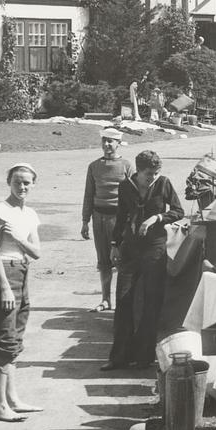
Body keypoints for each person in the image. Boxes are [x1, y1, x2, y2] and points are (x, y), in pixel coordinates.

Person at [102, 150, 184, 370]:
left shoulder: (163, 184)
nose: (153, 177)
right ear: (138, 170)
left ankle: (144, 357)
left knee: (151, 301)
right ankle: (119, 357)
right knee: (124, 299)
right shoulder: (125, 187)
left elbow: (178, 211)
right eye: (149, 173)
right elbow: (121, 216)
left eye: (156, 173)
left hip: (154, 248)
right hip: (130, 248)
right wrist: (114, 244)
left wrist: (157, 217)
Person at [0, 163, 42, 422]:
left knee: (15, 340)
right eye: (17, 182)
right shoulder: (0, 210)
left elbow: (36, 252)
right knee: (5, 341)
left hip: (23, 271)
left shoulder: (30, 214)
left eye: (27, 183)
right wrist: (5, 287)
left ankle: (13, 399)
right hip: (4, 275)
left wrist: (19, 239)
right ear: (9, 182)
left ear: (33, 184)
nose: (22, 187)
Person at [81, 129, 133, 312]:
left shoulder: (127, 166)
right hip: (98, 218)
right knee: (103, 261)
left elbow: (134, 195)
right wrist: (85, 220)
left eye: (110, 141)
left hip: (119, 219)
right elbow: (89, 194)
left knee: (121, 259)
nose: (106, 145)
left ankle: (122, 301)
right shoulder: (94, 166)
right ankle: (105, 299)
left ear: (118, 143)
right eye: (104, 141)